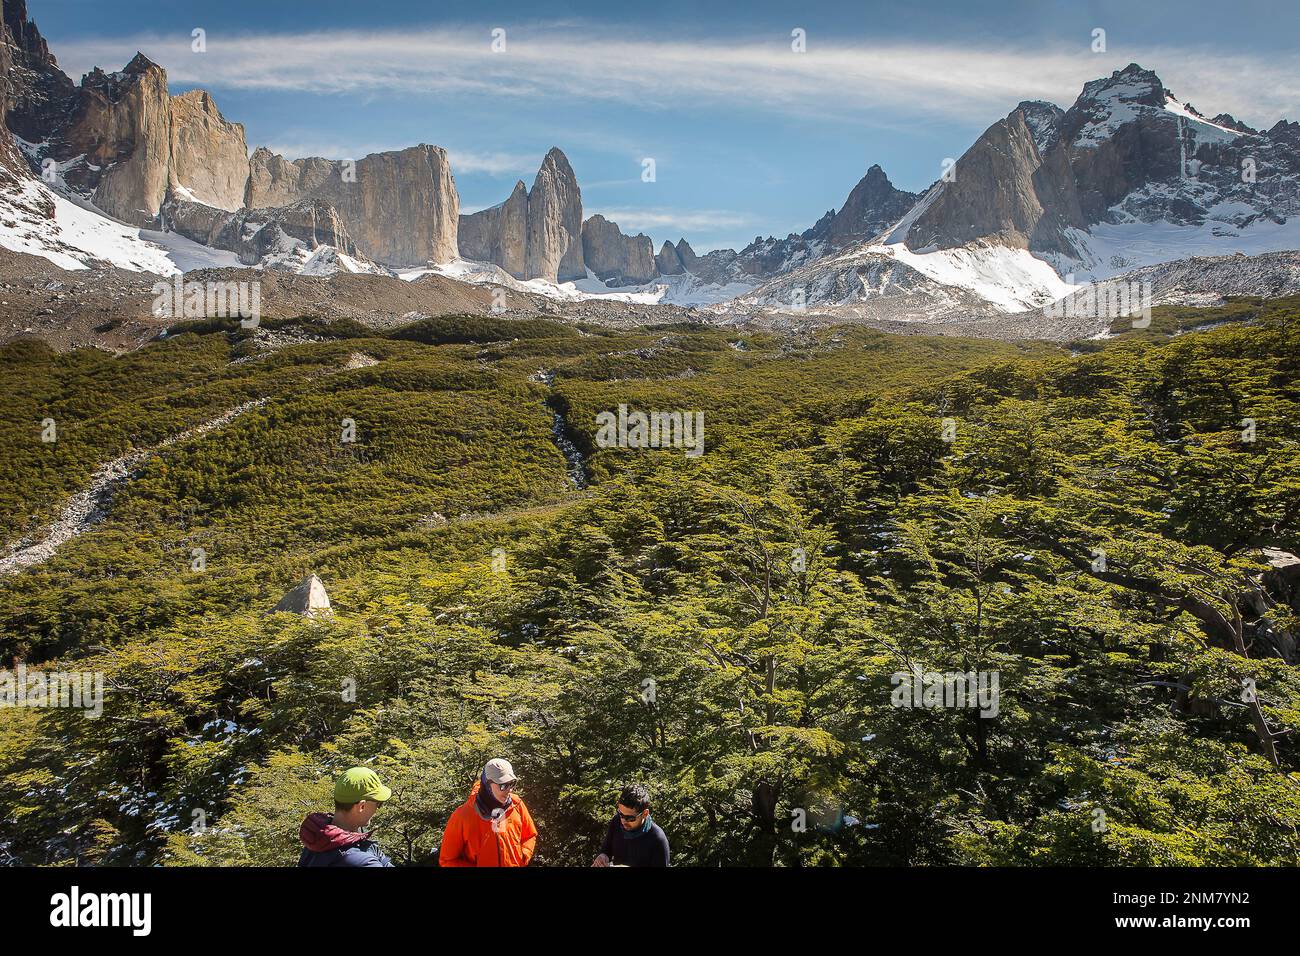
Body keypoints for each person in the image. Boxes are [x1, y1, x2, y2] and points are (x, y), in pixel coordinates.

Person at [439, 758, 537, 867]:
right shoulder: (462, 816)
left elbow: (530, 835)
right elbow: (448, 861)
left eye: (512, 783)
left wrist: (523, 857)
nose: (509, 790)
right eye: (503, 785)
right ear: (487, 784)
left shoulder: (517, 805)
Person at [298, 766, 395, 867]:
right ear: (361, 806)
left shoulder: (317, 839)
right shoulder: (362, 862)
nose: (377, 809)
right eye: (378, 804)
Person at [592, 783, 670, 867]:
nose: (623, 821)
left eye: (629, 818)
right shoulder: (617, 821)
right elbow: (606, 848)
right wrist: (603, 855)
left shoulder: (657, 839)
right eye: (621, 814)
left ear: (645, 813)